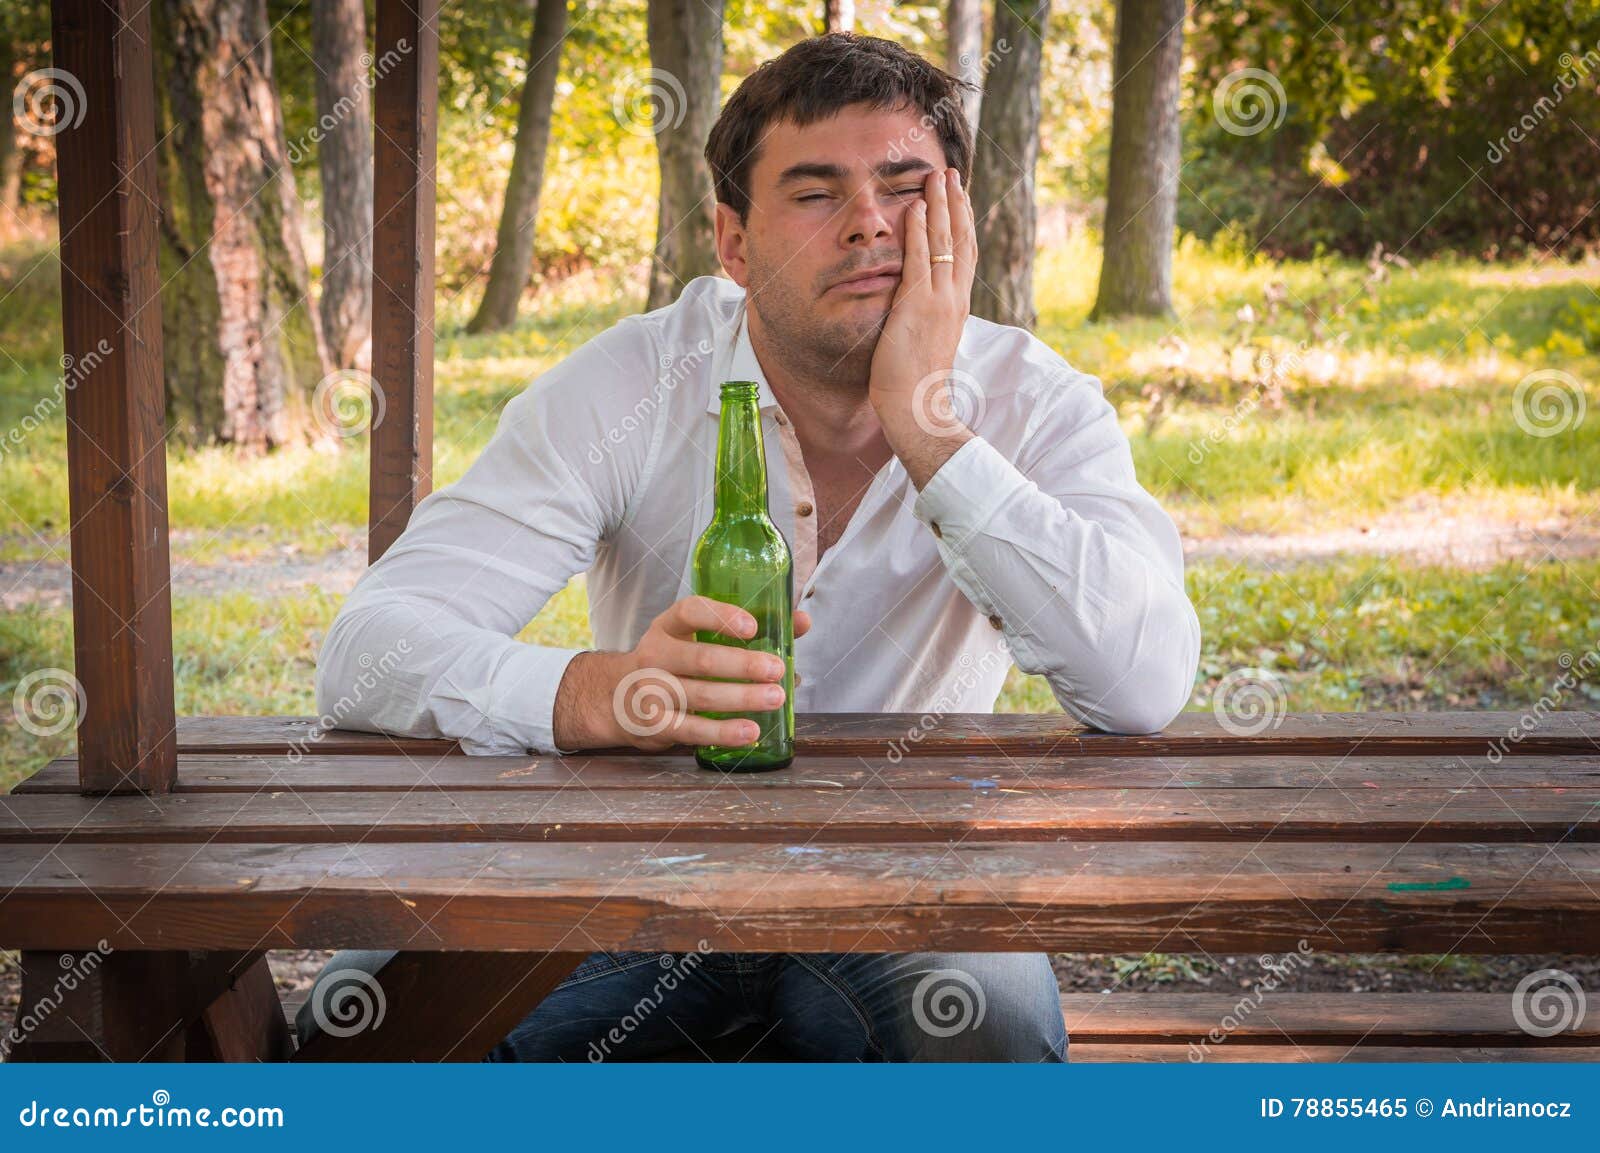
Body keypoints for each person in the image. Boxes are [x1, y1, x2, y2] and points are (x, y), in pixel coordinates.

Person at [316, 32, 1200, 1062]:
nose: (870, 221)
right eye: (816, 193)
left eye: (905, 184)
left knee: (986, 1030)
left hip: (908, 886)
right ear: (733, 243)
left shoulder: (1034, 402)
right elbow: (365, 650)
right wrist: (597, 694)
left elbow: (1141, 681)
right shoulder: (626, 382)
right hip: (636, 878)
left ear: (956, 217)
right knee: (373, 1015)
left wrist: (930, 429)